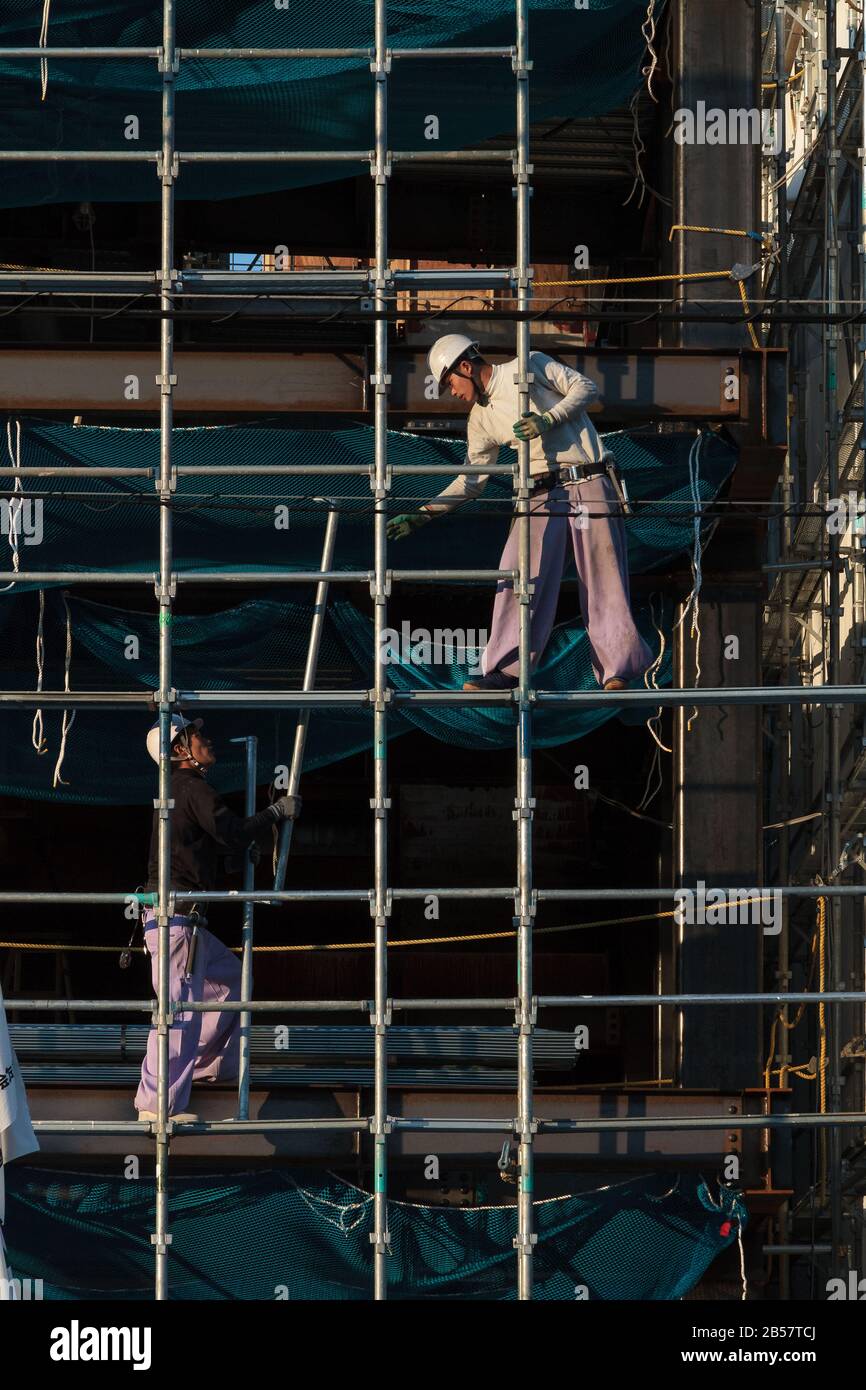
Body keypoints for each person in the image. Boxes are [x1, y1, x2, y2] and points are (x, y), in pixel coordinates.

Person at [387, 334, 652, 692]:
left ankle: (617, 668)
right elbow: (472, 480)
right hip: (538, 493)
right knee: (517, 576)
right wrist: (424, 513)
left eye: (450, 382)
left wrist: (547, 419)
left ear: (465, 366)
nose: (451, 392)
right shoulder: (480, 419)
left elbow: (585, 388)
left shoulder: (530, 366)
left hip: (586, 477)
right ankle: (506, 671)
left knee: (602, 576)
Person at [135, 714, 300, 1122]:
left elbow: (197, 853)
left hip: (179, 920)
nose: (206, 740)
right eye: (197, 736)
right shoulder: (191, 788)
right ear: (179, 750)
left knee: (231, 982)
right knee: (178, 1012)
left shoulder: (178, 792)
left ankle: (203, 1066)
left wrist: (236, 853)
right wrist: (274, 813)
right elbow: (230, 831)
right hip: (178, 920)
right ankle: (157, 1106)